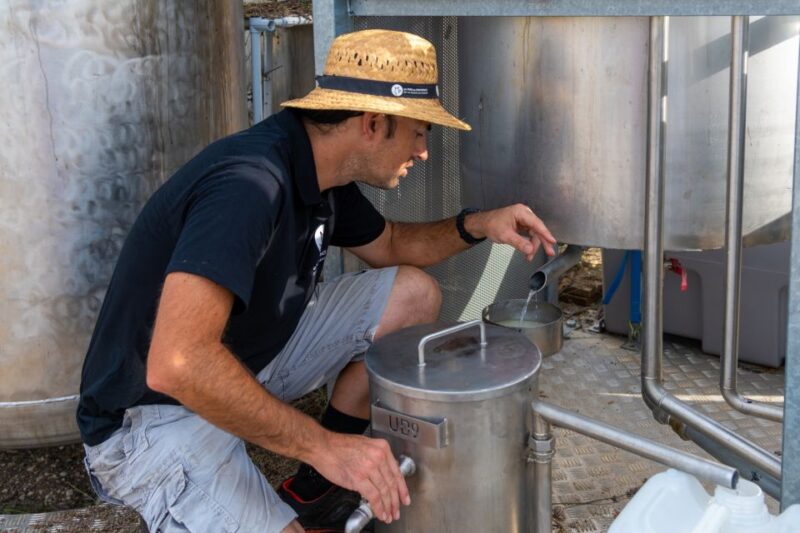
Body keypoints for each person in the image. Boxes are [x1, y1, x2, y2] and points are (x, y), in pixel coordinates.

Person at [77, 29, 556, 533]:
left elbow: (391, 244)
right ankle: (323, 460)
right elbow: (177, 364)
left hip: (245, 360)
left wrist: (477, 225)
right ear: (372, 123)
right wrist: (328, 447)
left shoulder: (319, 167)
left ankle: (316, 486)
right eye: (419, 132)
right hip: (154, 417)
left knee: (413, 294)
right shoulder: (250, 185)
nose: (423, 153)